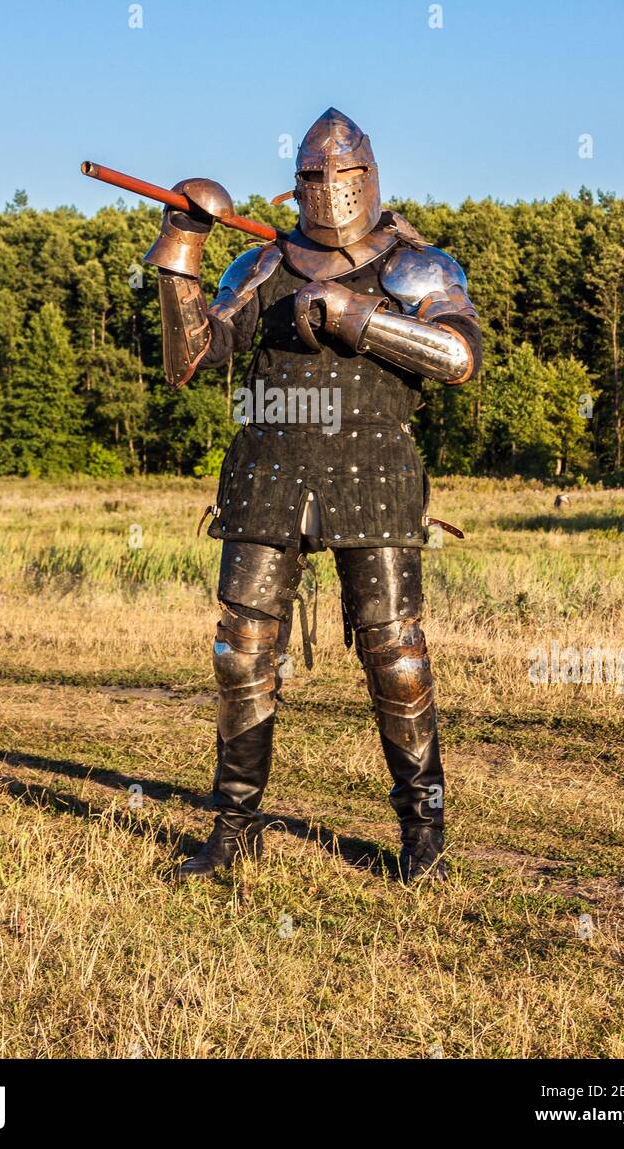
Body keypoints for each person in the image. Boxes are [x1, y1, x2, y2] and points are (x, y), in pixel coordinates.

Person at [143, 109, 481, 882]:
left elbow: (459, 356)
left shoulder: (415, 265)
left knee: (396, 654)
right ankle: (234, 827)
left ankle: (422, 834)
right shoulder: (266, 263)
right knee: (241, 654)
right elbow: (190, 358)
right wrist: (184, 243)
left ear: (369, 178)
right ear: (297, 183)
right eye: (314, 176)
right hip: (270, 465)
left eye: (343, 175)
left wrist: (363, 319)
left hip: (373, 466)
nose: (329, 190)